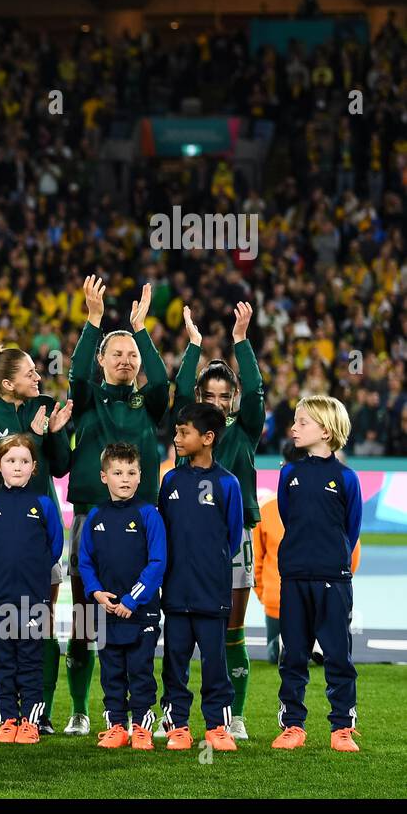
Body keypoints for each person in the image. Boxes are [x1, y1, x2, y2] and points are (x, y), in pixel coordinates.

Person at [64, 275, 168, 736]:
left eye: (133, 356)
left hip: (143, 519)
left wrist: (140, 329)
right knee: (88, 620)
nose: (126, 361)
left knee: (140, 618)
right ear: (103, 360)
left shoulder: (148, 402)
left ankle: (142, 711)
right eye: (117, 354)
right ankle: (81, 710)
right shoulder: (86, 400)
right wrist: (94, 322)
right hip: (90, 515)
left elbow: (164, 379)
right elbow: (75, 372)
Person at [0, 342, 71, 734]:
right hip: (0, 533)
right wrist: (34, 436)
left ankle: (39, 715)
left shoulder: (43, 405)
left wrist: (54, 434)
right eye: (29, 373)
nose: (38, 377)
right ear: (7, 383)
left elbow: (60, 468)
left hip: (40, 533)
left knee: (38, 622)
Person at [174, 302, 264, 740]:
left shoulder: (246, 428)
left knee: (231, 631)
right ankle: (179, 718)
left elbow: (259, 392)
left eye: (223, 396)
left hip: (235, 539)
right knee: (181, 631)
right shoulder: (185, 433)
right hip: (186, 542)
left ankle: (236, 715)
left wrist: (242, 341)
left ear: (234, 400)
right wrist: (194, 346)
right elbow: (175, 390)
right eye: (207, 396)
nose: (216, 403)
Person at [272, 397, 364, 753]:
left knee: (338, 655)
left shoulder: (346, 478)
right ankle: (293, 724)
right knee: (293, 655)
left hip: (334, 579)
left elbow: (350, 530)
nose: (294, 428)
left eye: (302, 422)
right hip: (294, 577)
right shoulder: (288, 474)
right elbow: (287, 516)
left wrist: (331, 559)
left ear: (325, 430)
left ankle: (342, 727)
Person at [157, 403, 244, 752]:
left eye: (184, 433)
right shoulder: (171, 480)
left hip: (213, 592)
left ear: (207, 438)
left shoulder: (228, 483)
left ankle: (216, 727)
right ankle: (177, 724)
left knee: (215, 664)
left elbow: (232, 536)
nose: (177, 438)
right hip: (176, 592)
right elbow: (163, 532)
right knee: (174, 662)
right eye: (176, 431)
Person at [75, 443, 167, 750]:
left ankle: (141, 726)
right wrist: (97, 592)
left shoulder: (148, 514)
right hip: (106, 611)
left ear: (141, 476)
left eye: (131, 472)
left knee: (140, 670)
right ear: (104, 477)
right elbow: (85, 561)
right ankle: (115, 725)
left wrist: (132, 600)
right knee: (111, 670)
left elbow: (158, 563)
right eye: (117, 472)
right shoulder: (95, 516)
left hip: (141, 612)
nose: (124, 479)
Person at [0, 435, 64, 745]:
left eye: (25, 461)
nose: (17, 466)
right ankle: (9, 718)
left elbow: (55, 547)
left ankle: (31, 722)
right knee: (2, 661)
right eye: (11, 460)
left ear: (34, 468)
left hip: (31, 598)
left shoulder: (43, 505)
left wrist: (32, 572)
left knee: (29, 659)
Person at [253, 441, 362, 665]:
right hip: (325, 586)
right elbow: (352, 547)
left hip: (281, 594)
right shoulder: (334, 498)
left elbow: (256, 560)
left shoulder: (267, 506)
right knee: (333, 654)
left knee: (283, 658)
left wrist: (264, 594)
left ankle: (295, 644)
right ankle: (315, 644)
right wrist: (340, 576)